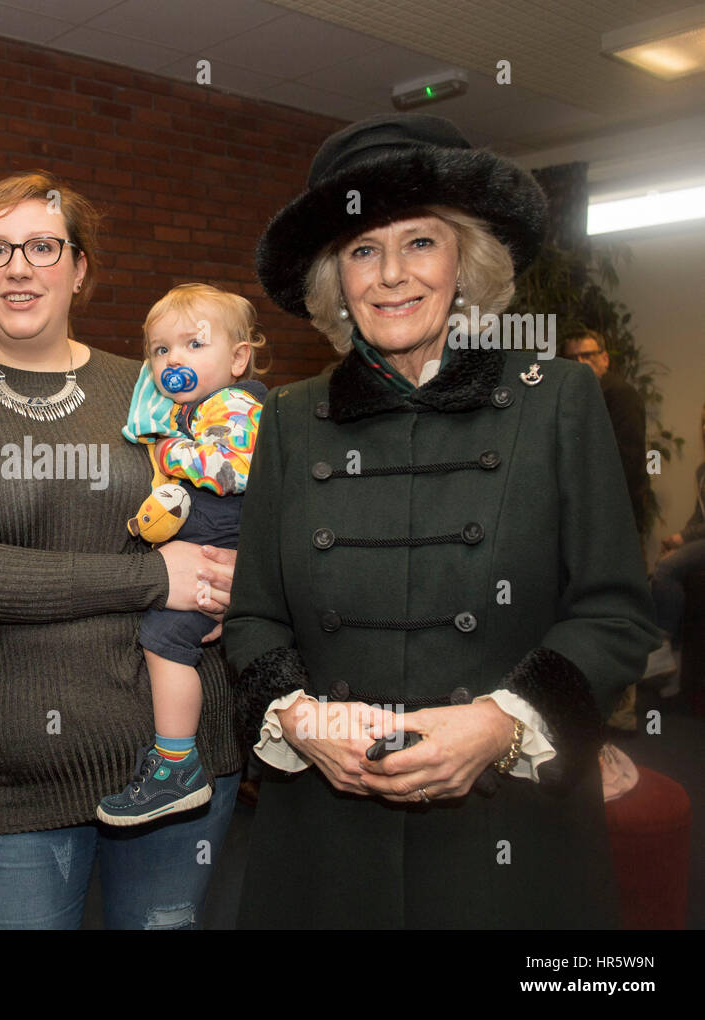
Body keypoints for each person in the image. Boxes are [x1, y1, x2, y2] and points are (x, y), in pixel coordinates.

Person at [225, 113, 659, 928]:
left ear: (466, 261)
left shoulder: (558, 399)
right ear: (335, 280)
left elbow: (613, 610)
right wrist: (301, 719)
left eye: (419, 242)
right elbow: (253, 616)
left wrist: (500, 724)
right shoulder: (288, 418)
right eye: (362, 250)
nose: (390, 275)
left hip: (508, 829)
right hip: (326, 828)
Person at [0, 172, 242, 929]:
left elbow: (233, 498)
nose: (19, 267)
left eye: (43, 246)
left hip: (174, 757)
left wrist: (231, 576)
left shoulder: (152, 387)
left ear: (80, 268)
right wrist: (154, 577)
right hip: (14, 769)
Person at [97, 284, 266, 825]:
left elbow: (229, 471)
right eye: (161, 350)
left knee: (165, 641)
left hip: (221, 541)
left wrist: (171, 450)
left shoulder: (236, 405)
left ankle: (177, 762)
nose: (175, 360)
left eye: (194, 345)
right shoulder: (197, 409)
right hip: (204, 540)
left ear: (238, 358)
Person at [561, 329, 649, 534]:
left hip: (615, 509)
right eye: (572, 358)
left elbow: (629, 459)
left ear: (605, 359)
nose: (581, 363)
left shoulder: (619, 394)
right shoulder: (574, 397)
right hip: (586, 510)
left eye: (588, 355)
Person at [645, 403, 705, 693]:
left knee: (668, 567)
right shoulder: (702, 470)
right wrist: (678, 537)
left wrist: (685, 538)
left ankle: (660, 653)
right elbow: (700, 515)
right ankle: (672, 660)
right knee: (666, 568)